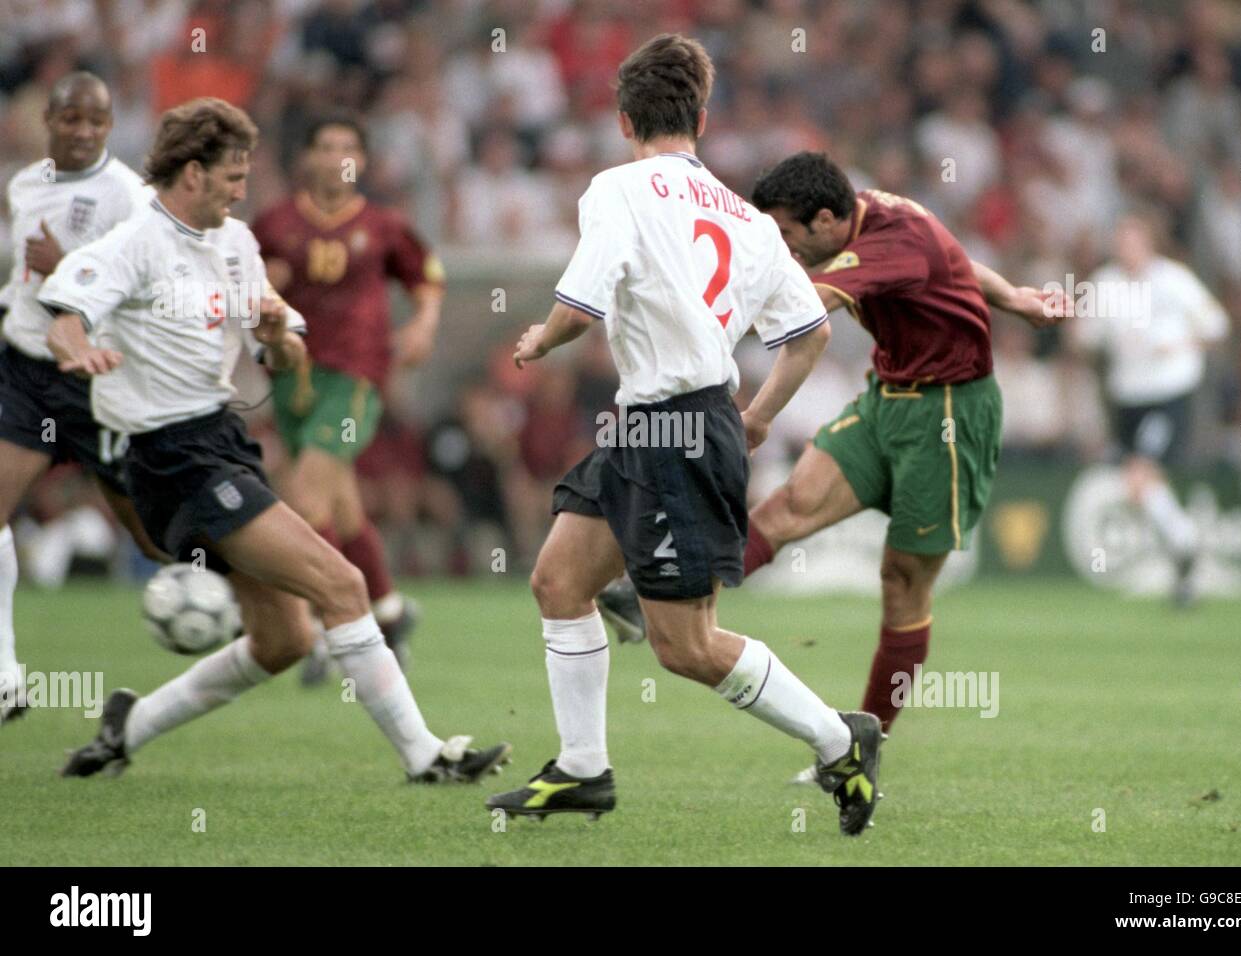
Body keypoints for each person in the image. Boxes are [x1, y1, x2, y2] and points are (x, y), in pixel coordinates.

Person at [42, 97, 508, 782]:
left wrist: (277, 341)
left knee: (284, 639)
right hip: (172, 458)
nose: (243, 190)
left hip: (222, 441)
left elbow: (286, 349)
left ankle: (126, 727)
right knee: (342, 583)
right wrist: (79, 347)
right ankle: (426, 757)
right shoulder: (131, 243)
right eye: (232, 177)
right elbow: (64, 318)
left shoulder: (234, 243)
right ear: (192, 173)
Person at [485, 36, 881, 837]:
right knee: (560, 582)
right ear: (700, 117)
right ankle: (582, 770)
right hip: (661, 422)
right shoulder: (747, 217)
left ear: (623, 118)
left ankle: (843, 740)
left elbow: (582, 305)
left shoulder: (618, 188)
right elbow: (808, 335)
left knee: (686, 647)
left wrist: (540, 339)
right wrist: (762, 414)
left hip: (677, 429)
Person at [597, 151, 1068, 757]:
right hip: (886, 398)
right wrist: (1016, 299)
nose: (786, 250)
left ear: (824, 221)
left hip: (951, 416)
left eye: (789, 236)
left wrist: (701, 334)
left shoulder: (881, 244)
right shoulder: (872, 211)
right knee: (787, 507)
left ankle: (864, 742)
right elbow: (956, 263)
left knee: (902, 583)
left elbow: (809, 305)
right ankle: (656, 598)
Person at [252, 116, 445, 680]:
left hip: (357, 374)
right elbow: (248, 280)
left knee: (305, 494)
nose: (338, 156)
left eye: (349, 148)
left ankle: (330, 627)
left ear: (361, 162)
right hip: (292, 375)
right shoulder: (276, 223)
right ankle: (388, 609)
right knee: (340, 506)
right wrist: (267, 281)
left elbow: (425, 276)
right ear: (307, 158)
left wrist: (425, 325)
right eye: (327, 145)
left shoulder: (383, 225)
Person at [0, 72, 165, 726]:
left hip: (94, 381)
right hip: (24, 370)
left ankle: (243, 605)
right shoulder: (22, 183)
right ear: (49, 118)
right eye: (71, 119)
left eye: (95, 121)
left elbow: (142, 293)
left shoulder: (130, 197)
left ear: (109, 124)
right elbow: (22, 279)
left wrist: (62, 261)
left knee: (151, 536)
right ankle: (6, 673)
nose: (83, 131)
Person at [1072, 209, 1228, 605]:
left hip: (1169, 392)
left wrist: (1177, 345)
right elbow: (1084, 337)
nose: (1125, 249)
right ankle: (1184, 551)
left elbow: (1216, 324)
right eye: (1120, 241)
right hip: (1127, 397)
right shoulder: (1105, 284)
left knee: (1139, 475)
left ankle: (1185, 544)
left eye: (1132, 240)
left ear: (1149, 243)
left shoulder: (1173, 280)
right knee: (1143, 483)